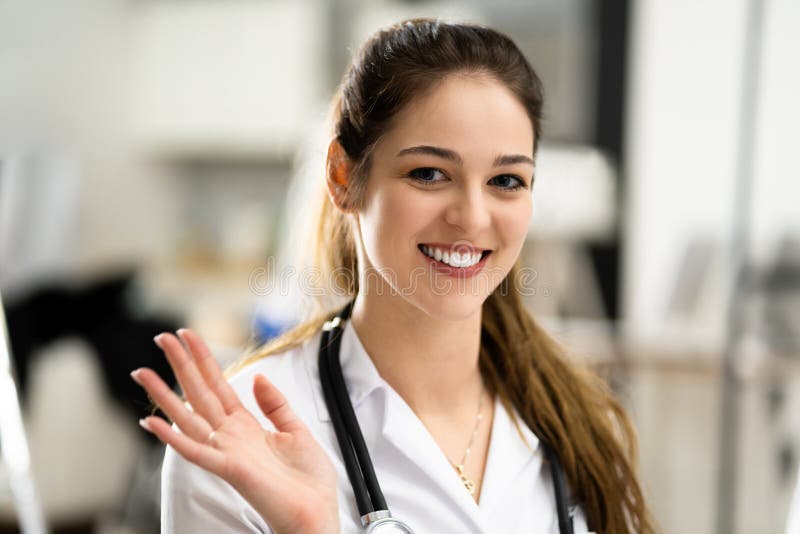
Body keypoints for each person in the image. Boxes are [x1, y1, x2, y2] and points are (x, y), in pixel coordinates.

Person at [130, 18, 656, 534]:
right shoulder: (237, 443)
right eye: (429, 173)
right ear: (343, 177)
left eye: (506, 180)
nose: (472, 217)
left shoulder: (582, 425)